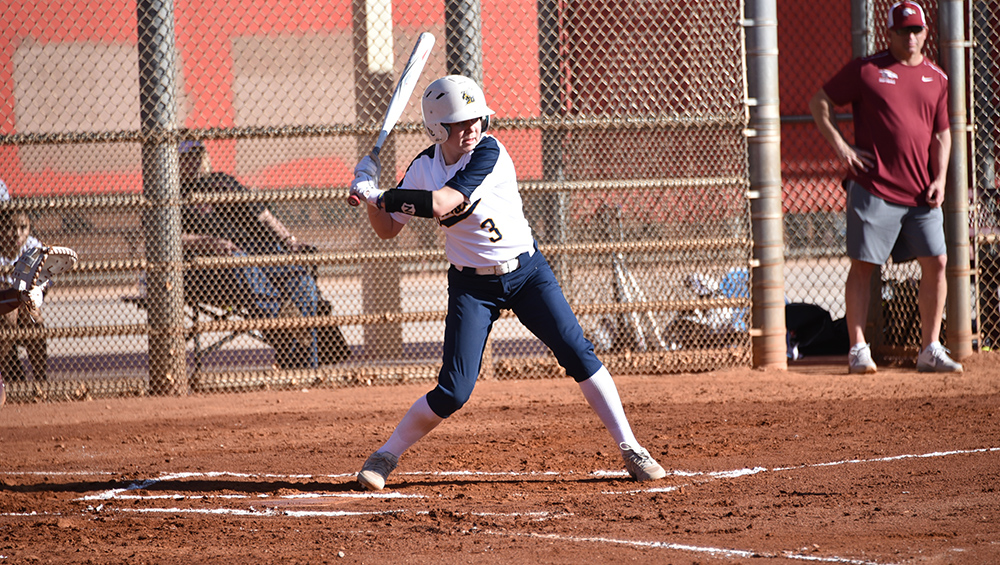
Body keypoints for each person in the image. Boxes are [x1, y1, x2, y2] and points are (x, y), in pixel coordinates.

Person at [348, 75, 666, 491]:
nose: (473, 128)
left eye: (476, 118)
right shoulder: (423, 168)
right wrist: (368, 195)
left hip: (528, 273)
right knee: (454, 390)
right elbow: (388, 229)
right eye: (461, 123)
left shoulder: (490, 153)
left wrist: (379, 194)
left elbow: (445, 203)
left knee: (577, 352)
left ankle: (631, 447)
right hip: (472, 287)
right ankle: (385, 455)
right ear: (437, 128)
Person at [809, 1, 962, 374]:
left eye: (916, 30)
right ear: (889, 34)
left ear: (926, 34)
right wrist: (841, 148)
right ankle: (858, 349)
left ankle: (929, 348)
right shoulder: (867, 70)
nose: (910, 37)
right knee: (863, 265)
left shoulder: (937, 78)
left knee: (938, 263)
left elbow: (942, 134)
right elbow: (819, 102)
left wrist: (940, 179)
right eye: (902, 30)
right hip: (874, 187)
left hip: (921, 192)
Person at [178, 140, 321, 369]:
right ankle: (286, 332)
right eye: (186, 157)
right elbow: (164, 240)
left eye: (197, 155)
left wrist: (289, 241)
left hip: (255, 252)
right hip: (210, 269)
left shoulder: (220, 182)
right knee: (242, 265)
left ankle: (303, 365)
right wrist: (208, 243)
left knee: (301, 281)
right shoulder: (168, 194)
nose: (193, 161)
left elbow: (263, 216)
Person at [0, 205, 48, 381]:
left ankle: (41, 381)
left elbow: (44, 281)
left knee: (34, 316)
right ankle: (1, 377)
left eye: (23, 227)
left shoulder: (32, 246)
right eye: (11, 228)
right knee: (9, 315)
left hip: (23, 299)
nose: (17, 234)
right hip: (5, 305)